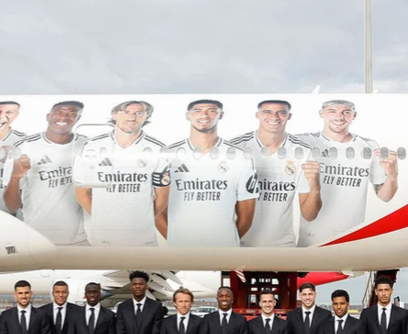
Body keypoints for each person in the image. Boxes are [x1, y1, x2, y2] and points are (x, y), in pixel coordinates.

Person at [298, 99, 398, 247]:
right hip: (309, 237)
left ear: (354, 115)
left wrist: (392, 175)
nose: (339, 117)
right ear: (321, 114)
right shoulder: (302, 141)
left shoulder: (369, 146)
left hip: (351, 236)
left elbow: (385, 197)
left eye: (346, 112)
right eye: (332, 111)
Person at [162, 99, 258, 247]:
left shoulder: (241, 157)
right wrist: (175, 240)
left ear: (221, 115)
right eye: (197, 110)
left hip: (224, 251)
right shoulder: (167, 155)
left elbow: (247, 212)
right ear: (188, 115)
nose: (204, 115)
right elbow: (157, 208)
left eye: (211, 110)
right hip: (180, 251)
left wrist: (227, 242)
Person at [74, 100, 170, 246]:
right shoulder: (91, 146)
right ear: (114, 115)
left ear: (146, 117)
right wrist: (101, 219)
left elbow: (162, 194)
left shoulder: (158, 149)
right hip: (104, 235)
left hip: (143, 236)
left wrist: (144, 220)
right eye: (127, 112)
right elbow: (82, 192)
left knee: (145, 269)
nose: (132, 118)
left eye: (139, 113)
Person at [228, 100, 322, 247]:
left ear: (289, 116)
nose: (275, 117)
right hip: (240, 243)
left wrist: (316, 187)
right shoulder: (235, 147)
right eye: (267, 112)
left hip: (282, 245)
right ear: (257, 115)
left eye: (281, 112)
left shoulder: (302, 151)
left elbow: (309, 215)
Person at [4, 101, 90, 245]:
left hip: (82, 238)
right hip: (37, 237)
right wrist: (15, 177)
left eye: (71, 114)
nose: (64, 117)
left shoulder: (88, 146)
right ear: (48, 116)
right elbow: (11, 206)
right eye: (59, 112)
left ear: (78, 119)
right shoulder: (25, 147)